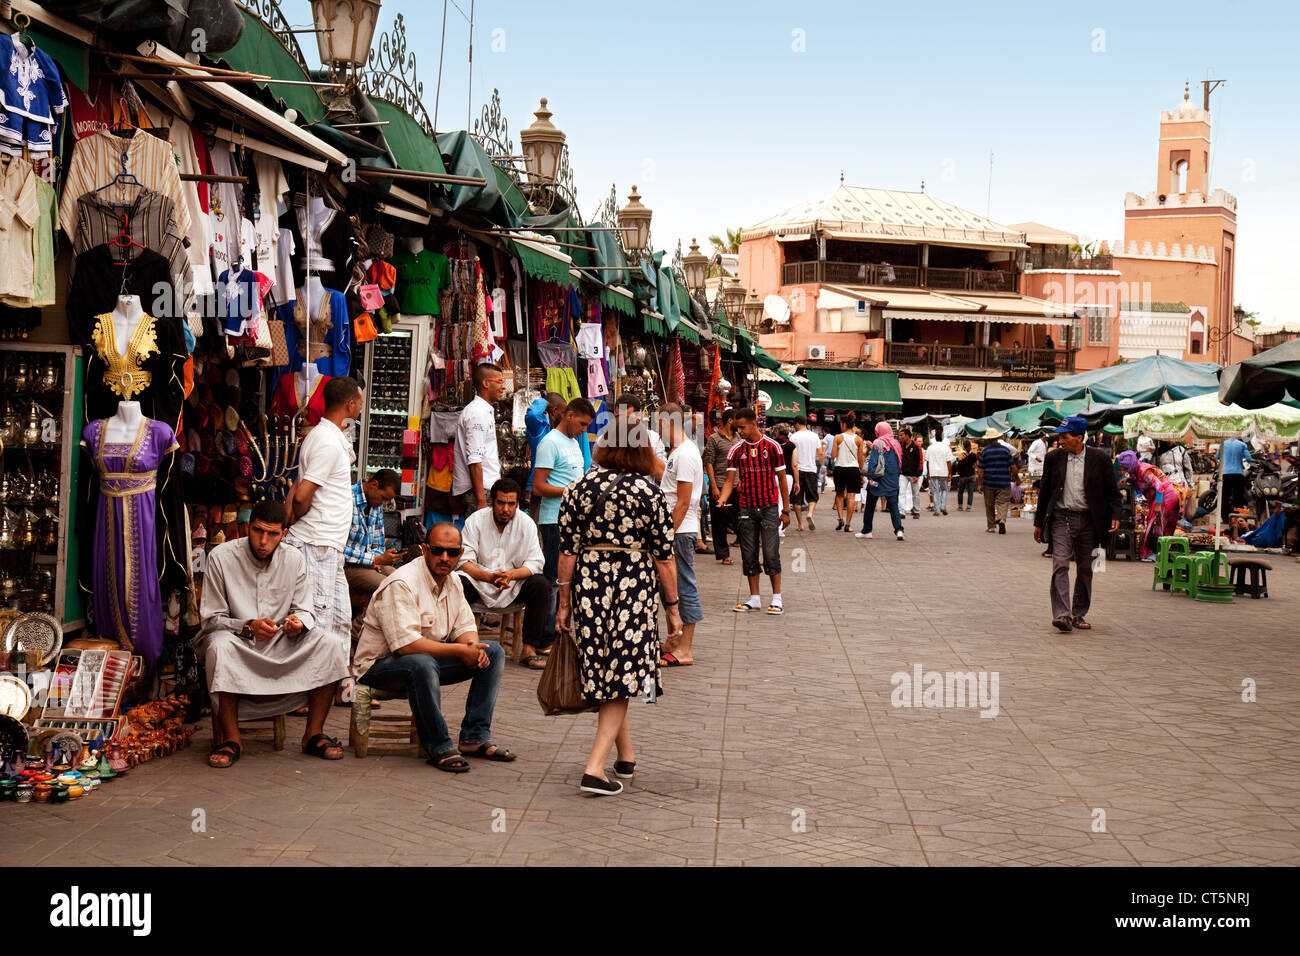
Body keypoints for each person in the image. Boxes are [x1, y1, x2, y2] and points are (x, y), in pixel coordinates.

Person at [554, 409, 681, 795]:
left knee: (607, 669)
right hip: (633, 589)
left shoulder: (577, 488)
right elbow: (663, 556)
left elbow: (566, 552)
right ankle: (594, 768)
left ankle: (624, 755)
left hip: (589, 587)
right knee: (623, 673)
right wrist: (673, 608)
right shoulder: (649, 492)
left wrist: (564, 601)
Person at [198, 500, 351, 768]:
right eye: (258, 531)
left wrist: (298, 624)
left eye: (272, 534)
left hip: (281, 642)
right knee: (219, 647)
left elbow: (305, 610)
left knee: (330, 643)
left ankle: (312, 734)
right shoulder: (221, 557)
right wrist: (247, 626)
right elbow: (211, 619)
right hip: (238, 642)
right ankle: (232, 739)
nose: (263, 541)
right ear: (248, 527)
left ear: (284, 533)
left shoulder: (294, 559)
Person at [352, 521, 514, 773]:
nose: (444, 558)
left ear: (460, 554)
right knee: (421, 662)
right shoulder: (403, 582)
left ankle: (475, 736)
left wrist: (473, 649)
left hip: (422, 663)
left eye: (451, 552)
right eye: (437, 550)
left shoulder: (454, 582)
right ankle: (438, 746)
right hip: (377, 667)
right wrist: (461, 651)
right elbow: (406, 646)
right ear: (425, 549)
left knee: (492, 652)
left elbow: (464, 627)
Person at [286, 375, 363, 711]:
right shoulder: (328, 442)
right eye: (359, 401)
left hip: (327, 544)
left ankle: (335, 688)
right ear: (350, 404)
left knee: (339, 619)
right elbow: (302, 495)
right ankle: (306, 693)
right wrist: (296, 517)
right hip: (315, 542)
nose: (361, 406)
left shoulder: (328, 437)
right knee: (316, 620)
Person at [1034, 416, 1121, 632]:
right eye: (1060, 437)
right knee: (1060, 564)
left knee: (1085, 569)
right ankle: (1062, 615)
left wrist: (1115, 515)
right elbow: (1045, 491)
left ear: (1079, 438)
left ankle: (1078, 613)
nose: (1060, 441)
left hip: (1090, 521)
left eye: (1064, 437)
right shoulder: (1053, 458)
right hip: (1061, 518)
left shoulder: (1100, 459)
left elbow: (1112, 492)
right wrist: (1038, 523)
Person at [456, 478, 551, 666]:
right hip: (479, 580)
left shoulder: (526, 523)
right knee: (455, 582)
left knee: (541, 585)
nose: (505, 509)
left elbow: (535, 563)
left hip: (513, 583)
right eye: (501, 503)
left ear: (517, 504)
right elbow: (463, 561)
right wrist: (488, 577)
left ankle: (529, 649)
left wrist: (510, 575)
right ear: (492, 501)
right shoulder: (475, 520)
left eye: (511, 504)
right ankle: (461, 647)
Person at [532, 397, 597, 664]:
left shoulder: (573, 442)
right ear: (568, 415)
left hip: (574, 519)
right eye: (582, 424)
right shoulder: (550, 443)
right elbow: (538, 487)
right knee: (552, 579)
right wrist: (572, 491)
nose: (584, 430)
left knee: (568, 579)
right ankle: (545, 639)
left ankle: (559, 632)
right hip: (553, 520)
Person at [717, 406, 791, 614]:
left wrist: (785, 510)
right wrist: (722, 499)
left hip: (768, 506)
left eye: (742, 427)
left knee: (770, 552)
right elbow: (730, 480)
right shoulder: (736, 450)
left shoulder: (773, 447)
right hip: (746, 507)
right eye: (737, 428)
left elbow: (782, 479)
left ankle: (776, 597)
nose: (739, 431)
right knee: (748, 553)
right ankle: (755, 598)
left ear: (754, 423)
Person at [656, 403, 705, 666]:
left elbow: (683, 501)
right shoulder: (680, 451)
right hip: (677, 529)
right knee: (671, 588)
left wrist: (666, 533)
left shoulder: (685, 453)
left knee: (683, 586)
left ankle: (685, 648)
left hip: (680, 530)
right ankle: (675, 641)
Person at [343, 469, 404, 616]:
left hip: (369, 563)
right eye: (383, 498)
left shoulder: (377, 504)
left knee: (403, 582)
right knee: (389, 589)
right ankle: (358, 632)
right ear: (374, 485)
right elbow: (338, 548)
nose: (383, 503)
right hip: (346, 565)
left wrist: (379, 559)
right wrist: (375, 559)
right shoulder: (346, 498)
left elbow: (378, 542)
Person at [452, 363, 507, 513]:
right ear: (486, 383)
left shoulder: (483, 411)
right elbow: (474, 459)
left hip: (487, 487)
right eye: (500, 382)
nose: (503, 387)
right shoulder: (477, 413)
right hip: (482, 490)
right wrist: (481, 499)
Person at [1116, 451, 1182, 560]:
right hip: (1162, 496)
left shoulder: (1144, 471)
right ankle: (1161, 553)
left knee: (1157, 525)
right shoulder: (1137, 470)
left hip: (1165, 496)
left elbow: (1159, 487)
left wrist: (1158, 504)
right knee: (1161, 525)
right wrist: (1129, 480)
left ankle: (1155, 553)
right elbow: (1140, 481)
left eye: (1125, 467)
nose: (1124, 469)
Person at [704, 408, 741, 566]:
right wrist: (713, 486)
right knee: (719, 523)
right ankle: (724, 554)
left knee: (740, 519)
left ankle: (748, 550)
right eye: (737, 420)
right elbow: (709, 463)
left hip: (737, 485)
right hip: (719, 483)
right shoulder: (714, 439)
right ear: (730, 421)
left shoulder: (739, 438)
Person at [857, 422, 905, 540]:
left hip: (877, 479)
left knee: (870, 504)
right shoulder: (896, 443)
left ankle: (867, 531)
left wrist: (869, 478)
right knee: (893, 506)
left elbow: (873, 462)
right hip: (892, 479)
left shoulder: (877, 443)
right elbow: (899, 461)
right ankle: (899, 530)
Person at [525, 392, 567, 518]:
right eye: (563, 412)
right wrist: (545, 402)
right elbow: (531, 415)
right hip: (538, 485)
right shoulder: (539, 425)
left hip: (552, 485)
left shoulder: (555, 429)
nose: (564, 416)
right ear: (554, 410)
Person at [976, 428, 1017, 534]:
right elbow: (1013, 467)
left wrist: (979, 484)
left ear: (988, 439)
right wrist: (1017, 479)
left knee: (989, 505)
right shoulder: (1005, 450)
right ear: (997, 438)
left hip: (989, 483)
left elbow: (980, 470)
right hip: (1003, 482)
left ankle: (991, 527)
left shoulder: (984, 452)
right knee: (1003, 503)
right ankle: (1002, 519)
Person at [830, 412, 866, 532]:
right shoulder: (859, 439)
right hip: (853, 469)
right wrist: (861, 472)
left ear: (844, 424)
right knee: (851, 496)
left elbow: (833, 455)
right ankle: (848, 524)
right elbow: (861, 459)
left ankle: (840, 519)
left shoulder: (838, 437)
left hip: (840, 468)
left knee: (840, 495)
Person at [789, 416, 823, 530]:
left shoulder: (793, 437)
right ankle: (810, 514)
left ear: (797, 424)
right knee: (813, 496)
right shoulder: (814, 436)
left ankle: (800, 525)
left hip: (798, 470)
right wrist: (822, 466)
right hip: (811, 469)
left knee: (797, 499)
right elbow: (820, 452)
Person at [1220, 436, 1251, 520]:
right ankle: (1237, 517)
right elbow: (1248, 458)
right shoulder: (1242, 444)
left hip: (1226, 473)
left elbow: (1217, 456)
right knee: (1238, 497)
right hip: (1238, 473)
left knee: (1225, 496)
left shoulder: (1223, 444)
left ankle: (1225, 518)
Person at [775, 426, 797, 535]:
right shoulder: (791, 446)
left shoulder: (774, 445)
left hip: (774, 476)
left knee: (776, 500)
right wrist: (797, 482)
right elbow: (794, 465)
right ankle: (781, 529)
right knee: (784, 500)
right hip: (787, 476)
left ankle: (776, 527)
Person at [924, 434, 954, 516]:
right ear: (942, 438)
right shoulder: (946, 448)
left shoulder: (930, 448)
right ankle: (943, 506)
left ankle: (937, 510)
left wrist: (928, 472)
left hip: (933, 472)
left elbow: (927, 461)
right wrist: (950, 473)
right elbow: (949, 462)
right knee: (944, 489)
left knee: (935, 490)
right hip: (943, 472)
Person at [898, 428, 924, 519]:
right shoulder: (901, 446)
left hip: (914, 475)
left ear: (907, 435)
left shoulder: (916, 447)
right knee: (901, 493)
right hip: (903, 474)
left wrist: (917, 475)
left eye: (902, 435)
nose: (900, 437)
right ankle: (901, 512)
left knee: (915, 494)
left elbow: (920, 461)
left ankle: (916, 511)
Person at [951, 439, 978, 511]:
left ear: (963, 447)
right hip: (972, 475)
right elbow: (975, 465)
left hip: (963, 476)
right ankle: (968, 507)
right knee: (970, 492)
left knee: (960, 492)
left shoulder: (961, 456)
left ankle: (960, 507)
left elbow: (958, 466)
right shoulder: (973, 455)